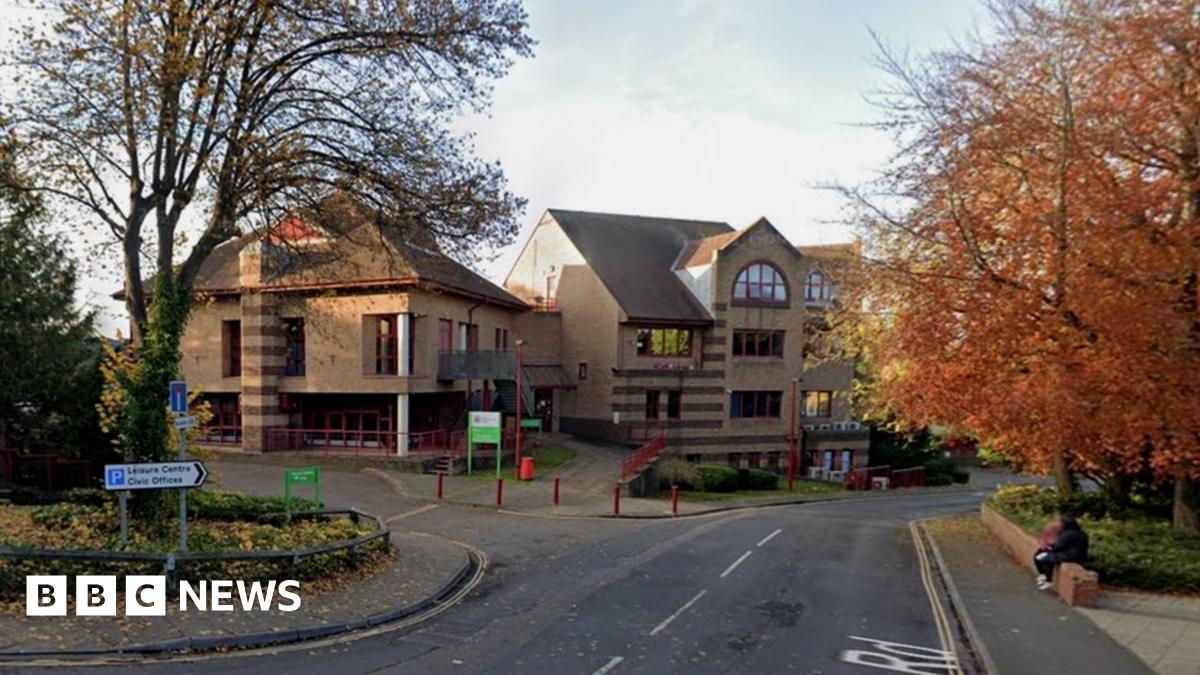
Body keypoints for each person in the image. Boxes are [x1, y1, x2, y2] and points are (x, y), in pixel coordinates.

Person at [1034, 515, 1089, 590]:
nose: (1061, 525)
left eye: (1062, 524)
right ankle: (1045, 576)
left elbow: (1059, 545)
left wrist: (1050, 547)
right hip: (1077, 555)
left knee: (1045, 558)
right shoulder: (1080, 532)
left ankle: (1048, 580)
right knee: (1044, 555)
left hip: (1070, 556)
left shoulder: (1069, 534)